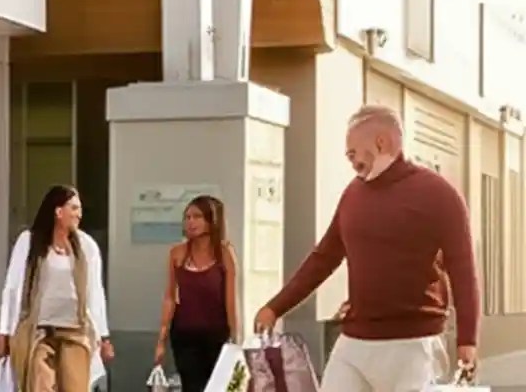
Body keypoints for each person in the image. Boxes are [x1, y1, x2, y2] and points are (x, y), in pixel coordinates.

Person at [254, 104, 480, 391]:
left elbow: (463, 271)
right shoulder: (353, 195)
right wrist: (275, 307)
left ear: (381, 142)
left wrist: (468, 341)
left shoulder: (439, 194)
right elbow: (323, 258)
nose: (350, 161)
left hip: (414, 346)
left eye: (352, 153)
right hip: (355, 343)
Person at [0, 185, 114, 392]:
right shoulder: (29, 242)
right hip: (38, 331)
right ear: (59, 212)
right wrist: (3, 332)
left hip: (76, 332)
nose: (80, 214)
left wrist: (103, 337)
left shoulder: (87, 246)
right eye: (74, 208)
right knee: (40, 385)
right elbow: (12, 288)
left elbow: (95, 292)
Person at [153, 196, 238, 392]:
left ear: (211, 220)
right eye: (187, 217)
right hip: (185, 335)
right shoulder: (177, 254)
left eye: (197, 216)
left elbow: (231, 299)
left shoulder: (224, 254)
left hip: (216, 334)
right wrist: (161, 341)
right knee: (192, 386)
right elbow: (170, 297)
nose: (190, 222)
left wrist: (235, 337)